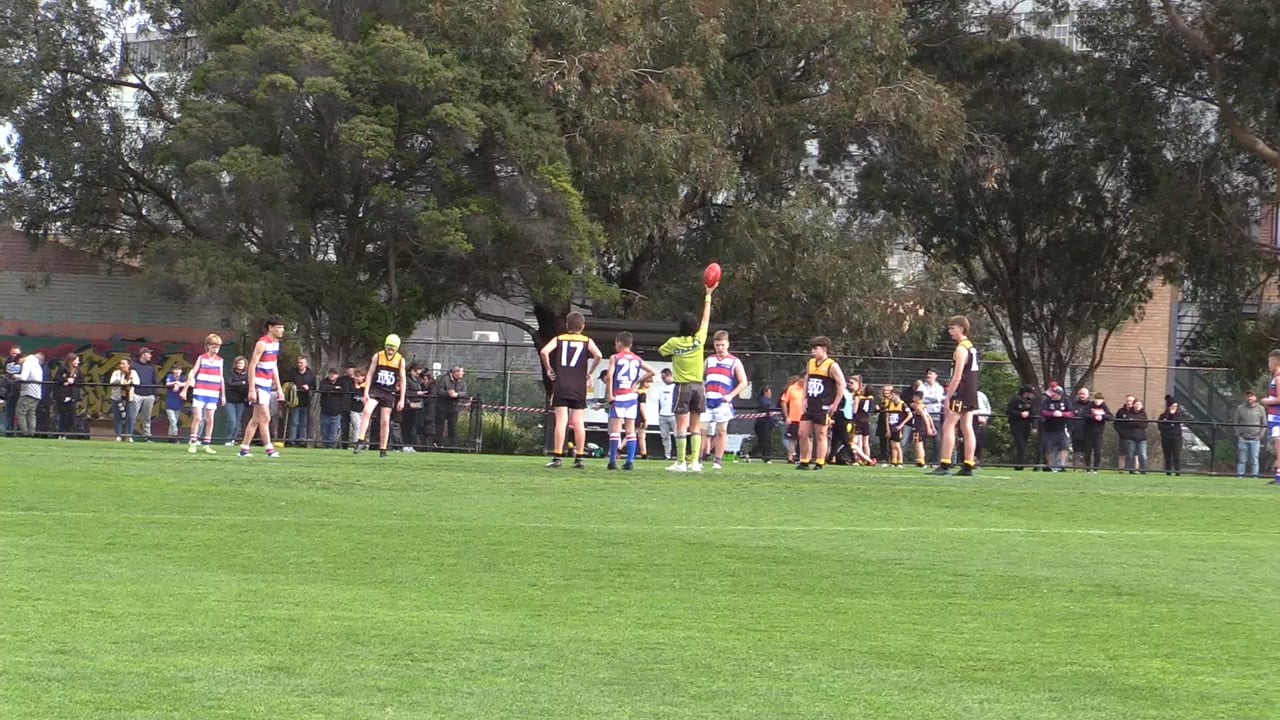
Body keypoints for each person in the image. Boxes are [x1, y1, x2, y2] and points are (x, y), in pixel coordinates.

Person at [659, 282, 717, 472]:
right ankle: (695, 462)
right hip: (699, 387)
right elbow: (706, 319)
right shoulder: (699, 339)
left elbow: (661, 351)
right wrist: (708, 295)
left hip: (682, 386)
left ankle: (681, 462)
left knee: (681, 426)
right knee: (696, 425)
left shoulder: (674, 341)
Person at [540, 313, 602, 468]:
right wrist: (590, 372)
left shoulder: (559, 339)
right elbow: (598, 355)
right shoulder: (587, 340)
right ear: (582, 326)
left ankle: (557, 457)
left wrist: (548, 369)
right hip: (578, 385)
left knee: (561, 421)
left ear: (567, 326)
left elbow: (544, 351)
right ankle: (580, 457)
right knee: (578, 421)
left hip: (561, 384)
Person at [929, 316, 980, 476]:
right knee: (967, 427)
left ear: (961, 328)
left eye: (953, 328)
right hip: (971, 391)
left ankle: (945, 463)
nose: (950, 331)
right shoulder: (972, 347)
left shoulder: (961, 349)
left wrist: (948, 396)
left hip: (961, 391)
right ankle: (968, 464)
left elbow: (957, 376)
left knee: (948, 426)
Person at [603, 331, 656, 471]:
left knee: (615, 429)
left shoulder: (615, 357)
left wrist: (610, 394)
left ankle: (612, 461)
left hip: (619, 395)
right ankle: (629, 461)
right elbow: (652, 371)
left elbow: (609, 377)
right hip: (632, 397)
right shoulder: (637, 359)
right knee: (630, 430)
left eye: (615, 343)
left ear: (619, 343)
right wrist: (637, 381)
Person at [796, 336, 846, 471]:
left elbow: (841, 384)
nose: (813, 351)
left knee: (821, 434)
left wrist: (835, 403)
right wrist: (803, 398)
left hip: (823, 404)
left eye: (815, 348)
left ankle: (819, 462)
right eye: (812, 348)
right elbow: (807, 380)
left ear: (824, 349)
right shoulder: (811, 363)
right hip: (810, 403)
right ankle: (804, 460)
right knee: (802, 433)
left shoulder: (831, 365)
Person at [355, 334, 408, 458]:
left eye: (393, 348)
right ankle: (360, 440)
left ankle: (383, 450)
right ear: (385, 345)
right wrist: (366, 392)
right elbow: (370, 374)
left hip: (389, 392)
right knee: (367, 411)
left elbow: (403, 379)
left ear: (397, 348)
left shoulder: (400, 360)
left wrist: (402, 399)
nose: (390, 350)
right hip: (376, 389)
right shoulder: (378, 356)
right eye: (388, 347)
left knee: (385, 421)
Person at [239, 318, 285, 458]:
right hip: (259, 384)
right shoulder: (262, 343)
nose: (282, 330)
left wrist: (279, 388)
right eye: (279, 327)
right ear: (270, 328)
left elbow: (273, 367)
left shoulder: (276, 344)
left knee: (256, 419)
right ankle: (269, 449)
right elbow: (252, 366)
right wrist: (252, 388)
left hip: (267, 384)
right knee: (265, 417)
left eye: (282, 327)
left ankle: (244, 448)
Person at [702, 330, 748, 470]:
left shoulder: (734, 361)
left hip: (723, 402)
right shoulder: (709, 360)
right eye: (717, 345)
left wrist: (730, 396)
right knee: (700, 430)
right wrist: (703, 391)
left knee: (721, 431)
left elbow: (743, 382)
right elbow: (701, 378)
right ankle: (698, 459)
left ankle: (717, 461)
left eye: (722, 345)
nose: (720, 348)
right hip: (707, 400)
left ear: (727, 344)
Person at [186, 333, 225, 454]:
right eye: (213, 346)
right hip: (200, 391)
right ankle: (193, 442)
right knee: (198, 417)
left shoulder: (220, 360)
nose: (215, 349)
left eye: (217, 347)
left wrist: (223, 395)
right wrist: (186, 387)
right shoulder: (201, 358)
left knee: (210, 419)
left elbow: (221, 378)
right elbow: (193, 372)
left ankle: (207, 444)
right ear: (208, 346)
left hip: (213, 392)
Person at [1039, 385, 1073, 472]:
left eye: (1054, 393)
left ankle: (1062, 466)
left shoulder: (1066, 401)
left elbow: (1070, 412)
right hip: (1049, 428)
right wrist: (1052, 414)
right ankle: (1050, 466)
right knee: (1048, 447)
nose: (1052, 394)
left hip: (1062, 428)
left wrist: (1062, 414)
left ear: (1059, 394)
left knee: (1064, 447)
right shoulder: (1047, 401)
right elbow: (1042, 411)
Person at [1234, 391, 1266, 478]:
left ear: (1255, 398)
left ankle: (1254, 477)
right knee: (1242, 459)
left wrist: (1260, 435)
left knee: (1254, 460)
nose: (1250, 398)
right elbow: (1236, 422)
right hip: (1243, 438)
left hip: (1255, 438)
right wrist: (1238, 434)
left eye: (1252, 396)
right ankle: (1240, 476)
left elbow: (1264, 424)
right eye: (1248, 396)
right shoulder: (1240, 408)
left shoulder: (1260, 409)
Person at [286, 356, 316, 447]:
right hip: (294, 402)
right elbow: (286, 384)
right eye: (299, 362)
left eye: (302, 363)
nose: (300, 364)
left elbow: (314, 387)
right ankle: (292, 441)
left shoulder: (310, 374)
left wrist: (308, 388)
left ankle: (302, 441)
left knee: (303, 423)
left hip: (306, 401)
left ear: (306, 363)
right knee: (294, 422)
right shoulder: (292, 373)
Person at [902, 389, 936, 467]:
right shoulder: (922, 405)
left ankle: (920, 461)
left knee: (918, 444)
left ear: (917, 397)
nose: (913, 398)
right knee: (919, 443)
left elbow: (925, 417)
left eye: (914, 396)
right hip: (921, 426)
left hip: (919, 426)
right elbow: (929, 417)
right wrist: (932, 427)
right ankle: (921, 460)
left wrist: (929, 428)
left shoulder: (919, 407)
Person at [1005, 385, 1037, 470]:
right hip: (1016, 425)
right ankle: (1019, 464)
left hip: (1026, 426)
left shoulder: (1030, 402)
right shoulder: (1015, 399)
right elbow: (1009, 411)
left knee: (1024, 444)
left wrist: (1034, 425)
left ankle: (1020, 463)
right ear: (1026, 393)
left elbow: (1033, 413)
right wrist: (1020, 414)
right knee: (1020, 444)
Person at [435, 365, 467, 447]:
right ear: (455, 372)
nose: (463, 373)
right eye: (461, 371)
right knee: (440, 427)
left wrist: (457, 394)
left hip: (453, 408)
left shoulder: (462, 382)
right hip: (442, 407)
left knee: (453, 427)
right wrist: (448, 393)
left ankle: (452, 446)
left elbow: (464, 392)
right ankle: (439, 445)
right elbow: (439, 391)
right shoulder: (444, 379)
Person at [1261, 348, 1280, 485]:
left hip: (1278, 418)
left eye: (1269, 361)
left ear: (1275, 361)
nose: (1268, 364)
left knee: (1279, 449)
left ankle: (1278, 478)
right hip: (1274, 418)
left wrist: (1266, 401)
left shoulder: (1278, 378)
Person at [1079, 392, 1110, 473]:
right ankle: (1088, 469)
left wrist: (1102, 417)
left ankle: (1095, 469)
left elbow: (1110, 416)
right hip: (1088, 432)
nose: (1097, 401)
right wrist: (1094, 417)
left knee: (1097, 451)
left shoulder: (1104, 407)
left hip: (1098, 433)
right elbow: (1084, 414)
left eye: (1099, 399)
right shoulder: (1090, 406)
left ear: (1102, 400)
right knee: (1088, 452)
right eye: (1096, 399)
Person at [109, 358, 140, 442]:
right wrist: (121, 379)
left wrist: (129, 380)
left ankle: (129, 436)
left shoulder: (133, 373)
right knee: (117, 416)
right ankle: (118, 435)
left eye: (123, 364)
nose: (121, 365)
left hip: (129, 398)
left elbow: (137, 382)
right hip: (117, 398)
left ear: (128, 365)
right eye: (120, 363)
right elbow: (111, 382)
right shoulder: (116, 373)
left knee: (130, 416)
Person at [132, 347, 159, 441]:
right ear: (143, 354)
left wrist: (155, 394)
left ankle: (147, 436)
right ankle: (129, 435)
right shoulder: (134, 366)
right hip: (137, 394)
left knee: (147, 417)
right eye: (149, 353)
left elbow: (154, 380)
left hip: (149, 395)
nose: (150, 356)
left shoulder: (151, 367)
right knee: (133, 416)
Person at [15, 351, 44, 436]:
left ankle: (24, 433)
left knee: (20, 412)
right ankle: (32, 433)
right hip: (37, 392)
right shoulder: (36, 363)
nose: (19, 365)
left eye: (18, 363)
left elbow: (24, 377)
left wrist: (16, 376)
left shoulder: (27, 362)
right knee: (31, 414)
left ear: (21, 359)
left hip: (28, 391)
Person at [919, 368, 946, 463]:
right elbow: (921, 399)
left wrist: (928, 399)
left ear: (936, 375)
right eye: (927, 374)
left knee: (937, 441)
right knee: (922, 440)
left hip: (936, 416)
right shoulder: (921, 387)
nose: (928, 375)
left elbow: (938, 399)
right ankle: (922, 461)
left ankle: (936, 462)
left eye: (930, 373)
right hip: (923, 416)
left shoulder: (939, 388)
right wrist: (934, 399)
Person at [54, 354, 82, 439]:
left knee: (71, 416)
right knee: (62, 415)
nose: (78, 362)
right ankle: (61, 433)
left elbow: (81, 380)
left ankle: (67, 433)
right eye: (76, 360)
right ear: (71, 360)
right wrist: (65, 380)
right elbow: (56, 379)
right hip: (62, 396)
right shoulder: (62, 369)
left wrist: (73, 381)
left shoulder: (78, 370)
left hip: (72, 396)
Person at [850, 376, 876, 465]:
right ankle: (867, 458)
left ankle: (860, 459)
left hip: (858, 420)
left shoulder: (859, 398)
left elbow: (855, 410)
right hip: (866, 420)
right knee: (866, 443)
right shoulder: (870, 398)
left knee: (859, 441)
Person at [223, 356, 249, 445]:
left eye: (242, 363)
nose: (240, 365)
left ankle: (233, 440)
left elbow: (247, 386)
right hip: (229, 400)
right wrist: (242, 383)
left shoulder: (247, 375)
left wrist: (238, 384)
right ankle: (227, 440)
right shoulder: (229, 373)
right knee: (232, 421)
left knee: (238, 422)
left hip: (241, 401)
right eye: (238, 363)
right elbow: (229, 384)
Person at [1119, 399, 1150, 474]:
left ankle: (1143, 471)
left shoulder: (1143, 414)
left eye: (1139, 404)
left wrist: (1134, 421)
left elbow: (1144, 425)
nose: (1137, 406)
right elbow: (1128, 423)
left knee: (1143, 455)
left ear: (1142, 406)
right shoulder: (1129, 413)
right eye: (1136, 404)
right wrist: (1138, 422)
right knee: (1130, 455)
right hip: (1130, 437)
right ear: (1133, 405)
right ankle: (1131, 471)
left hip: (1142, 438)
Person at [1157, 399, 1185, 476]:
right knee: (1167, 456)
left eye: (1176, 406)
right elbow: (1161, 426)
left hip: (1176, 438)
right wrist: (1170, 425)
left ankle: (1177, 472)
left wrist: (1170, 422)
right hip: (1166, 438)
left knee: (1176, 456)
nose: (1174, 407)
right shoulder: (1162, 416)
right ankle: (1168, 472)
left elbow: (1176, 424)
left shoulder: (1179, 415)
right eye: (1173, 406)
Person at [751, 385, 779, 463]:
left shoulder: (765, 401)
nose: (771, 394)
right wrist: (775, 420)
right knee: (766, 441)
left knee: (762, 442)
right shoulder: (764, 401)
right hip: (763, 424)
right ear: (765, 392)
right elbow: (771, 411)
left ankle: (751, 454)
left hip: (765, 423)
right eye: (769, 392)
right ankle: (766, 457)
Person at [318, 368, 345, 448]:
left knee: (333, 433)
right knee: (324, 432)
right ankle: (325, 448)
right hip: (325, 412)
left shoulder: (341, 382)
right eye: (331, 373)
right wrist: (334, 388)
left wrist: (335, 389)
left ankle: (331, 448)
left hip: (336, 413)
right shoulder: (324, 382)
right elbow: (322, 389)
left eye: (335, 374)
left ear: (337, 375)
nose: (332, 375)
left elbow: (344, 390)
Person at [781, 375, 804, 463]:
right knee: (792, 439)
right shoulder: (791, 388)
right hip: (793, 418)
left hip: (804, 419)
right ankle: (790, 458)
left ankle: (803, 457)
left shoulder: (806, 389)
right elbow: (784, 402)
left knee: (804, 438)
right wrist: (787, 416)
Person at [882, 386, 906, 467]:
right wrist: (888, 429)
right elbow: (887, 416)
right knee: (892, 445)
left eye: (892, 395)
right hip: (891, 426)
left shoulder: (902, 404)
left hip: (898, 427)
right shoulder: (890, 404)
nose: (891, 397)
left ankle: (900, 461)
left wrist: (901, 425)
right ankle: (893, 461)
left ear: (897, 395)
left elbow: (910, 415)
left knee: (897, 445)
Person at [656, 368, 677, 460]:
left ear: (669, 375)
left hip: (673, 415)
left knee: (678, 435)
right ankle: (667, 455)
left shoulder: (676, 386)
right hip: (663, 415)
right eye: (662, 378)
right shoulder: (661, 387)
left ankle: (680, 454)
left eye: (664, 378)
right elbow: (659, 401)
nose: (663, 380)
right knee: (664, 436)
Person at [1114, 395, 1136, 470]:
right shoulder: (1121, 411)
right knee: (1122, 454)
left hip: (1134, 437)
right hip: (1123, 436)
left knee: (1134, 454)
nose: (1129, 402)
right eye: (1128, 401)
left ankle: (1134, 470)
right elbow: (1116, 423)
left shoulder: (1136, 412)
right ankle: (1121, 470)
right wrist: (1121, 433)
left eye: (1131, 401)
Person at [164, 366, 187, 439]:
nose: (177, 371)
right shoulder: (170, 376)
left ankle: (171, 437)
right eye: (176, 369)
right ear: (173, 370)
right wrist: (175, 383)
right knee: (172, 420)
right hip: (170, 402)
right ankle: (175, 435)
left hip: (178, 402)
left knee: (175, 421)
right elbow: (167, 383)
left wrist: (178, 384)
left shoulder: (183, 377)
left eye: (179, 370)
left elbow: (187, 384)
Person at [4, 345, 21, 435]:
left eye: (17, 354)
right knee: (9, 413)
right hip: (10, 391)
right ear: (10, 353)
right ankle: (9, 432)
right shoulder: (7, 362)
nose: (15, 355)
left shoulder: (23, 362)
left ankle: (19, 432)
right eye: (14, 353)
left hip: (20, 391)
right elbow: (8, 374)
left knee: (20, 413)